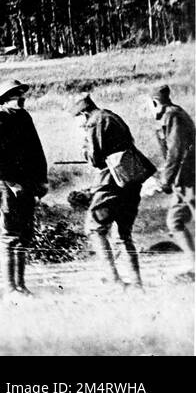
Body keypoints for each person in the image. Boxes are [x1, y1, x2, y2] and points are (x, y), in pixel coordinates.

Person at [0, 78, 48, 300]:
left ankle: (21, 287)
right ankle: (10, 290)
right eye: (13, 96)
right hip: (5, 184)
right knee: (9, 236)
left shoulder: (24, 118)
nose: (19, 99)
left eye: (20, 94)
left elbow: (37, 151)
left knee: (24, 236)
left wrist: (42, 180)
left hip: (26, 185)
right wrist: (12, 184)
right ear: (4, 100)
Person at [76, 93, 149, 288]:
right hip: (131, 177)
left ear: (83, 112)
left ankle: (114, 279)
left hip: (111, 180)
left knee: (94, 228)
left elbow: (95, 158)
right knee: (123, 234)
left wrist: (84, 146)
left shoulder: (94, 122)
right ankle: (136, 283)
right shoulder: (110, 116)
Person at [153, 84, 195, 273]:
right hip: (185, 177)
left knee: (175, 220)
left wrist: (166, 180)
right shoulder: (174, 114)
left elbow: (176, 152)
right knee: (177, 219)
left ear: (155, 102)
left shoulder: (172, 116)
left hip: (188, 178)